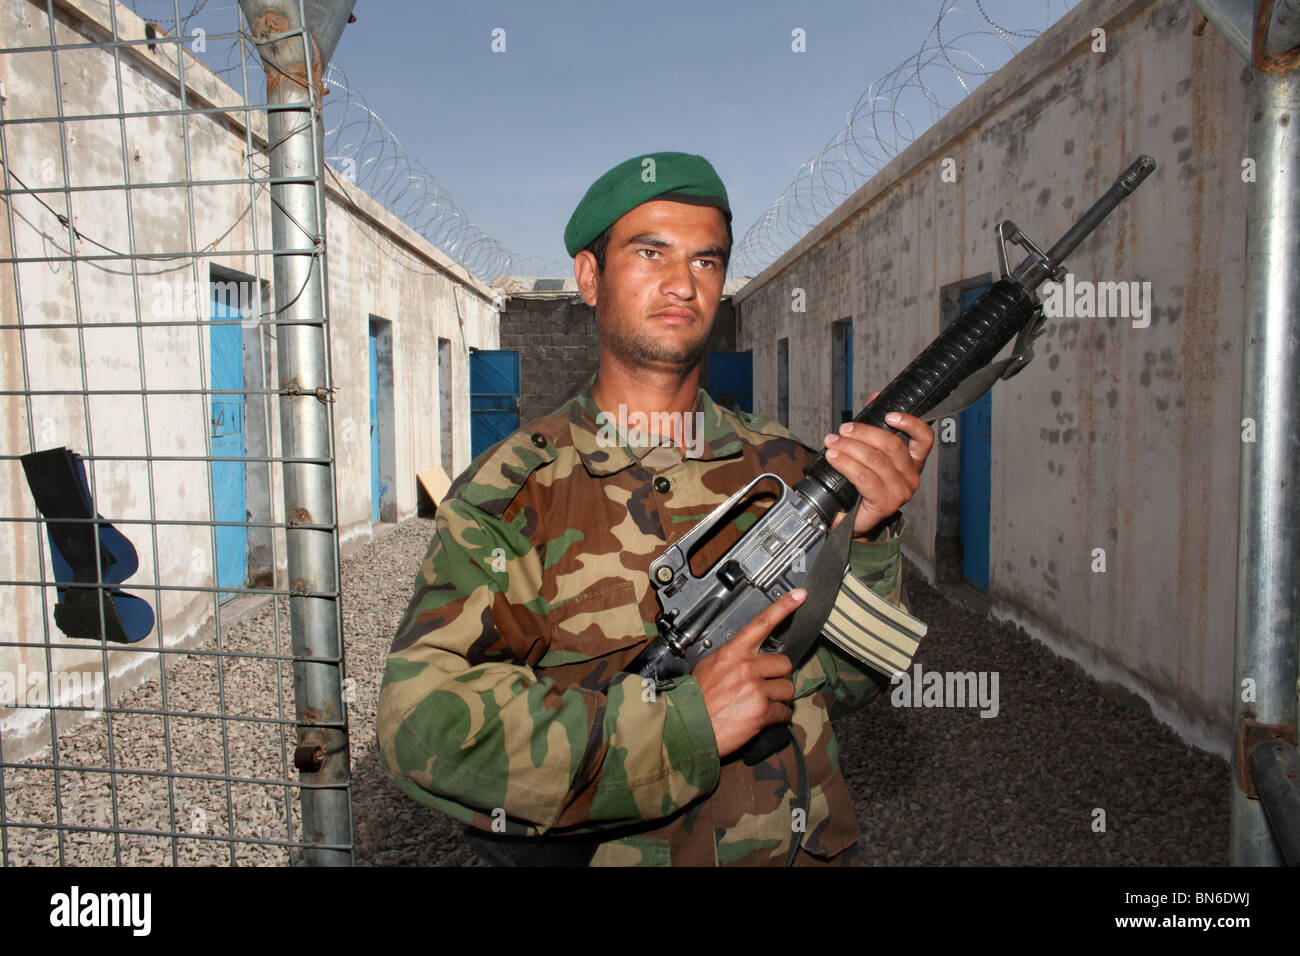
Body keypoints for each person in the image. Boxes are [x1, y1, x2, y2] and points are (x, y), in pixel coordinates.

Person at [376, 151, 934, 866]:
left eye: (706, 261)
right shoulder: (515, 490)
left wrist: (873, 534)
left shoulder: (789, 468)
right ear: (588, 277)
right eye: (650, 253)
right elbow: (421, 721)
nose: (682, 283)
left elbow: (839, 684)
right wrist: (682, 728)